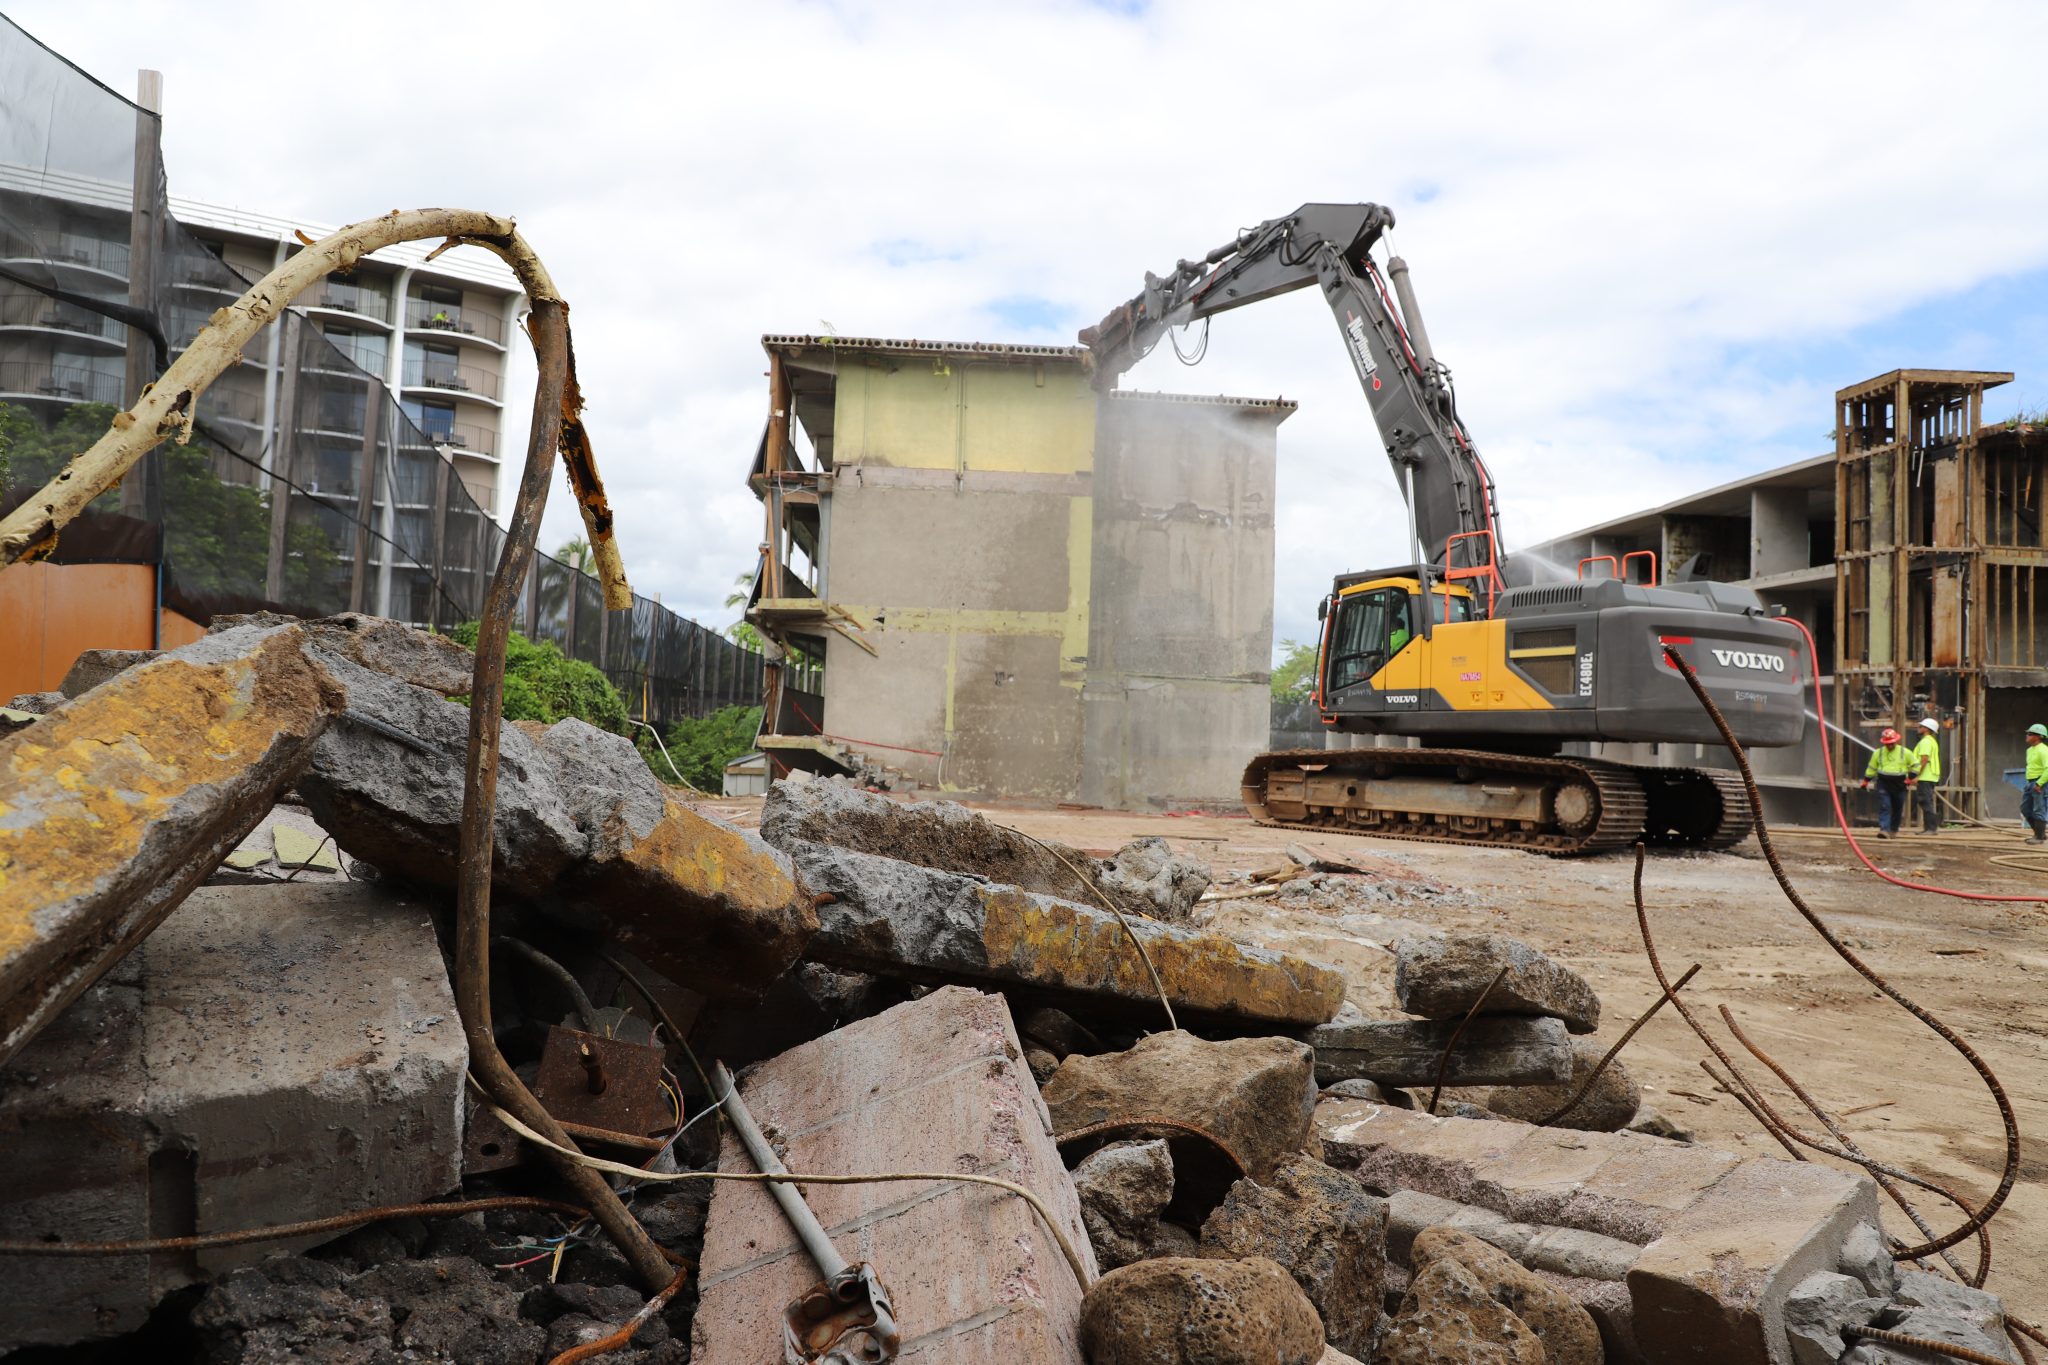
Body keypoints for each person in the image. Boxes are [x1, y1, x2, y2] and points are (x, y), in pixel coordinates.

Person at [1859, 727, 1912, 838]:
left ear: (1896, 741)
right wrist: (1866, 781)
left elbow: (1916, 765)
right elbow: (1871, 768)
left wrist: (1910, 778)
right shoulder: (1878, 753)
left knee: (1898, 807)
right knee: (1885, 806)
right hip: (1884, 783)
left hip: (1900, 784)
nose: (1890, 746)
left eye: (1892, 743)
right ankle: (1884, 830)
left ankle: (1893, 829)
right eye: (1887, 744)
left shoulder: (1905, 752)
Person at [1910, 716, 1942, 836]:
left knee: (1925, 802)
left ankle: (1931, 828)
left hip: (1925, 776)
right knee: (1926, 801)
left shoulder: (1925, 742)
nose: (1919, 727)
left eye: (1921, 726)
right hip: (1930, 776)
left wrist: (1917, 775)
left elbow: (1924, 760)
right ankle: (1928, 828)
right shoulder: (1931, 741)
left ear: (1927, 729)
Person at [2024, 723, 2048, 844]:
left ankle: (2039, 837)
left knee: (2039, 809)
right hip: (2030, 782)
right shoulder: (2029, 750)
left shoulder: (2044, 750)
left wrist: (2039, 783)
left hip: (2039, 782)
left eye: (2030, 734)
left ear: (2038, 736)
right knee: (2025, 809)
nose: (2027, 735)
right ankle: (2040, 833)